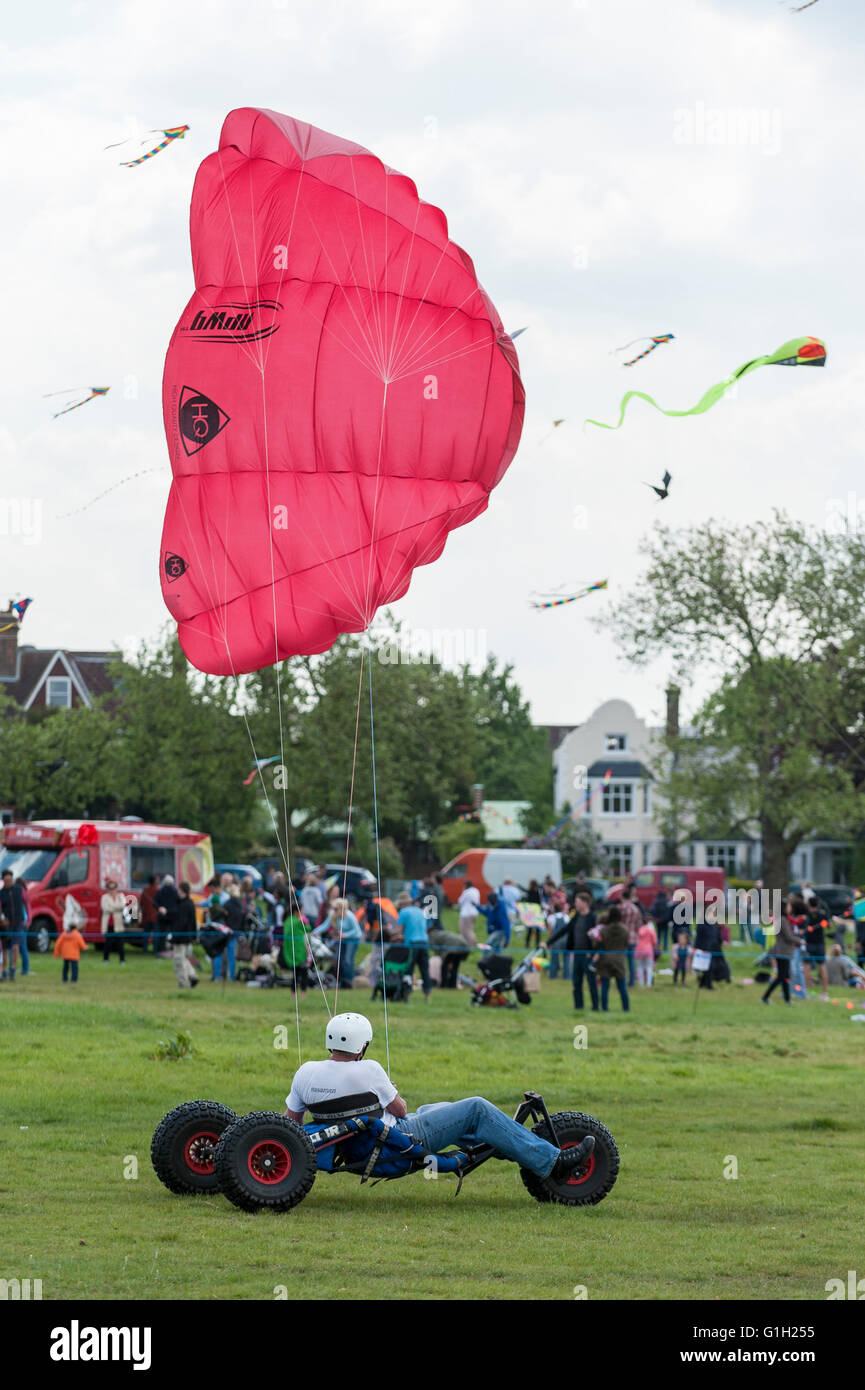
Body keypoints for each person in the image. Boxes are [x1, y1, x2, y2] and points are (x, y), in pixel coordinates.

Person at [284, 1013, 595, 1183]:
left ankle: (521, 1146)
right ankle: (553, 1162)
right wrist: (390, 1087)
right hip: (396, 1139)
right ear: (362, 1046)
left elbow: (291, 1124)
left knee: (438, 1108)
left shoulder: (305, 1072)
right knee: (476, 1109)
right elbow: (401, 1111)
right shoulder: (369, 1069)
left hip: (358, 1147)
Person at [549, 891, 598, 1010]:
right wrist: (548, 942)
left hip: (588, 956)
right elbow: (564, 930)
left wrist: (593, 954)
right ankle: (579, 1006)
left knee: (592, 983)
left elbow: (597, 938)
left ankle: (595, 1007)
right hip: (577, 954)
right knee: (576, 982)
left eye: (577, 902)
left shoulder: (592, 918)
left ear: (585, 903)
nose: (575, 904)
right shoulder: (576, 917)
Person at [396, 890, 431, 1000]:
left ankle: (407, 995)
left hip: (411, 944)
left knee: (408, 971)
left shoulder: (403, 912)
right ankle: (427, 996)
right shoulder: (421, 911)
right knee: (425, 971)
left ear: (402, 904)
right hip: (424, 943)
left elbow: (399, 931)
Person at [594, 906, 630, 1012]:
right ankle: (626, 1008)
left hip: (605, 959)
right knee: (622, 987)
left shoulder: (604, 930)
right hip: (619, 960)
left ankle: (604, 1008)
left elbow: (599, 944)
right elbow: (626, 943)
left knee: (605, 987)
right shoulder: (624, 930)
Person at [761, 903, 798, 1005]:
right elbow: (788, 937)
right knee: (781, 977)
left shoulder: (782, 920)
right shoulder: (782, 920)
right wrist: (801, 941)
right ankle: (765, 997)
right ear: (784, 908)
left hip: (783, 951)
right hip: (782, 952)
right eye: (789, 906)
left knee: (785, 976)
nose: (790, 908)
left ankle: (787, 999)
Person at [0, 869, 28, 980]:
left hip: (18, 923)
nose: (8, 882)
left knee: (16, 947)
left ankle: (13, 970)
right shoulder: (1, 893)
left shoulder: (19, 890)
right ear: (3, 880)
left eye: (10, 879)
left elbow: (27, 904)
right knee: (5, 950)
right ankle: (4, 971)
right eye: (6, 880)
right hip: (6, 926)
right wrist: (2, 918)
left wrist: (28, 918)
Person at [329, 897, 363, 987]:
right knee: (339, 959)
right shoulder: (335, 915)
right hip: (343, 939)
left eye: (336, 909)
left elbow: (357, 931)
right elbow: (325, 925)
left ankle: (349, 981)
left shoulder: (350, 916)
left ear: (341, 908)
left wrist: (345, 935)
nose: (334, 910)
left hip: (353, 939)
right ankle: (340, 981)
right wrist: (313, 932)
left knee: (348, 960)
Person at [173, 881, 200, 989]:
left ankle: (184, 983)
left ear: (182, 890)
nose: (177, 892)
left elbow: (182, 922)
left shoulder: (184, 905)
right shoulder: (190, 903)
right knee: (185, 958)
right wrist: (194, 936)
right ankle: (192, 975)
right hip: (188, 936)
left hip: (181, 937)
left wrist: (174, 936)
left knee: (179, 960)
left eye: (179, 889)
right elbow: (193, 921)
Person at [618, 886, 642, 988]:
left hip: (622, 938)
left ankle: (622, 980)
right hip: (633, 938)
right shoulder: (636, 909)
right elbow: (639, 924)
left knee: (621, 960)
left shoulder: (620, 908)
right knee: (632, 961)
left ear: (622, 897)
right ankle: (632, 981)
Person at [100, 879, 127, 964]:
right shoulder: (104, 897)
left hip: (119, 924)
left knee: (120, 944)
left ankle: (122, 960)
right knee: (108, 944)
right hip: (108, 924)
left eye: (114, 888)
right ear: (107, 889)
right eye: (110, 888)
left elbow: (123, 905)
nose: (112, 890)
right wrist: (117, 908)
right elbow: (105, 908)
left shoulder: (121, 896)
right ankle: (106, 960)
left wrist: (112, 907)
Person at [54, 917, 88, 982]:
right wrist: (85, 947)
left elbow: (58, 944)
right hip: (74, 955)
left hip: (65, 954)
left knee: (65, 968)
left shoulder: (64, 934)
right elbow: (82, 944)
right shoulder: (77, 934)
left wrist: (56, 954)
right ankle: (74, 980)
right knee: (74, 968)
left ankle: (64, 979)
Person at [153, 875, 180, 954]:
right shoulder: (175, 892)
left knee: (161, 935)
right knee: (174, 934)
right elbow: (178, 904)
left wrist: (159, 908)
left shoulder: (160, 891)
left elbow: (154, 902)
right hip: (173, 916)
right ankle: (174, 950)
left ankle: (161, 950)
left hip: (162, 916)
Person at [634, 917, 658, 986]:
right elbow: (655, 941)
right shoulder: (651, 930)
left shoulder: (639, 929)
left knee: (640, 967)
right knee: (649, 967)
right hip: (648, 950)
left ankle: (641, 983)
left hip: (639, 949)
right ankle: (649, 983)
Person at [457, 880, 481, 948]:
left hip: (466, 914)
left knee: (466, 930)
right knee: (469, 929)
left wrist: (463, 891)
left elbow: (460, 901)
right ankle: (468, 944)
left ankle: (472, 945)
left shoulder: (466, 892)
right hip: (475, 913)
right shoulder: (476, 890)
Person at [649, 887, 673, 954]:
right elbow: (669, 911)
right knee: (665, 935)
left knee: (658, 935)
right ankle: (665, 948)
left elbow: (652, 910)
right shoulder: (666, 901)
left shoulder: (656, 902)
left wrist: (655, 918)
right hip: (665, 921)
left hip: (658, 922)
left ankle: (658, 948)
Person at [139, 874, 159, 952]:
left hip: (146, 916)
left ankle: (145, 950)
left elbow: (141, 903)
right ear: (154, 881)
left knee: (146, 935)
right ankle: (155, 950)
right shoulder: (157, 890)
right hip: (156, 916)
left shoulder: (145, 891)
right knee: (156, 935)